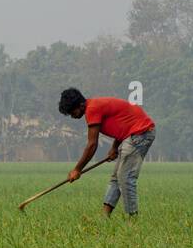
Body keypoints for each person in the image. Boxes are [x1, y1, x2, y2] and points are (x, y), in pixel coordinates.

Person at [57, 88, 156, 217]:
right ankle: (104, 216)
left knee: (125, 177)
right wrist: (115, 147)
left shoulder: (92, 109)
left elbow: (92, 145)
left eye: (72, 112)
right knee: (117, 177)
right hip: (132, 134)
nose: (73, 116)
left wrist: (77, 169)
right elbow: (123, 124)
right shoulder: (94, 105)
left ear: (81, 105)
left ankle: (133, 218)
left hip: (141, 133)